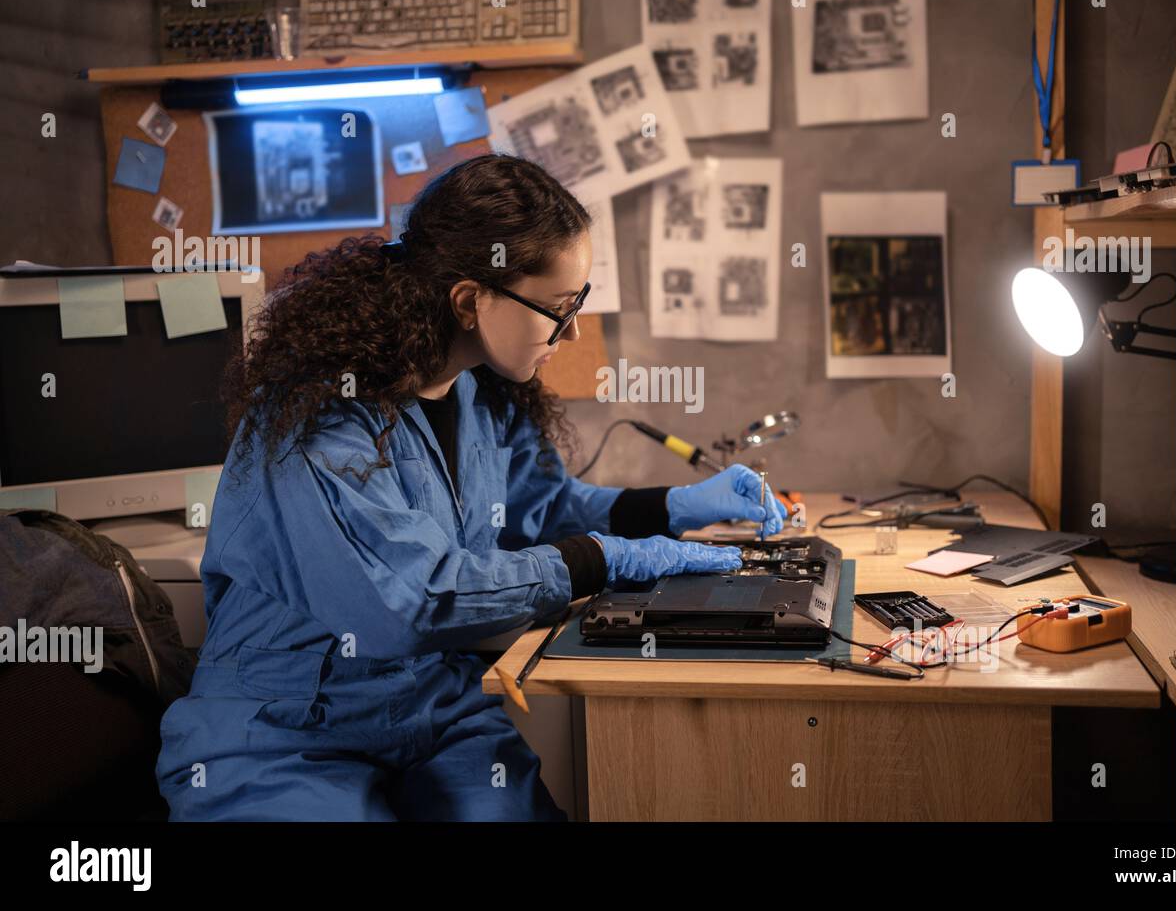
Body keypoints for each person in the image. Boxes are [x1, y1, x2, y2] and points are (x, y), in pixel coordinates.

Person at [156, 154, 785, 821]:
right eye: (556, 308)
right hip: (282, 721)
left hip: (429, 703)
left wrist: (673, 506)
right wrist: (600, 559)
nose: (571, 332)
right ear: (467, 299)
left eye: (579, 302)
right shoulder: (320, 414)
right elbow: (410, 601)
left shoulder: (482, 394)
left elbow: (544, 509)